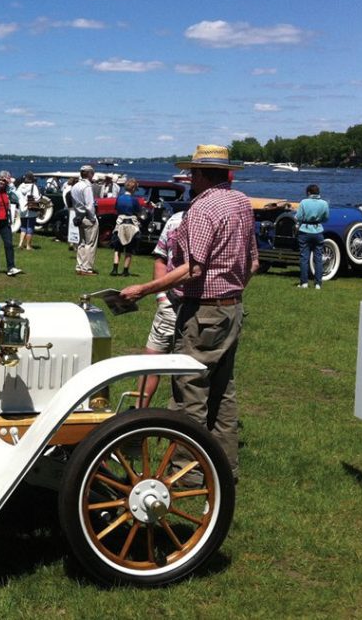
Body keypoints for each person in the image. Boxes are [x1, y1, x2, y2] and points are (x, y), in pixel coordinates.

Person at [120, 144, 258, 482]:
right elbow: (253, 262)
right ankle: (225, 465)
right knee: (224, 391)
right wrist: (233, 290)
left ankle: (188, 470)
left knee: (189, 390)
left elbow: (193, 269)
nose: (189, 177)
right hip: (232, 307)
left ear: (200, 175)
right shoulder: (242, 202)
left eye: (192, 172)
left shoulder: (200, 209)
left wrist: (144, 289)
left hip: (204, 311)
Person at [135, 209, 184, 408]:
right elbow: (161, 258)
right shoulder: (176, 220)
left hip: (185, 304)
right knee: (152, 361)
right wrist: (161, 297)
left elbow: (161, 259)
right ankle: (138, 415)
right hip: (171, 304)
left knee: (181, 369)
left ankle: (177, 424)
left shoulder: (176, 219)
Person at [296, 183, 330, 289]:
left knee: (304, 258)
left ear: (309, 192)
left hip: (305, 230)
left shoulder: (304, 202)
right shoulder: (324, 203)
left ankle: (304, 283)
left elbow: (299, 217)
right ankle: (318, 284)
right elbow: (326, 218)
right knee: (318, 259)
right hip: (318, 230)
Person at [109, 177, 142, 276]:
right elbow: (138, 212)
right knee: (129, 248)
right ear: (133, 189)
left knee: (117, 248)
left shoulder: (119, 198)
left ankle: (115, 268)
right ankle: (125, 270)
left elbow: (117, 209)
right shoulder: (135, 200)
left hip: (120, 223)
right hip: (131, 224)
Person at [71, 164, 99, 275]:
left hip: (79, 216)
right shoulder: (87, 187)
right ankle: (87, 268)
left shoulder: (76, 186)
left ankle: (79, 266)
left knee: (81, 243)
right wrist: (93, 218)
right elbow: (89, 205)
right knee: (90, 244)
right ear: (89, 174)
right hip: (88, 217)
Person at [16, 172, 41, 251]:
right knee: (30, 227)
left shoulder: (20, 186)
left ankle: (20, 244)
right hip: (30, 209)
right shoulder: (34, 186)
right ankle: (28, 246)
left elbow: (16, 196)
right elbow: (37, 198)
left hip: (22, 209)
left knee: (23, 227)